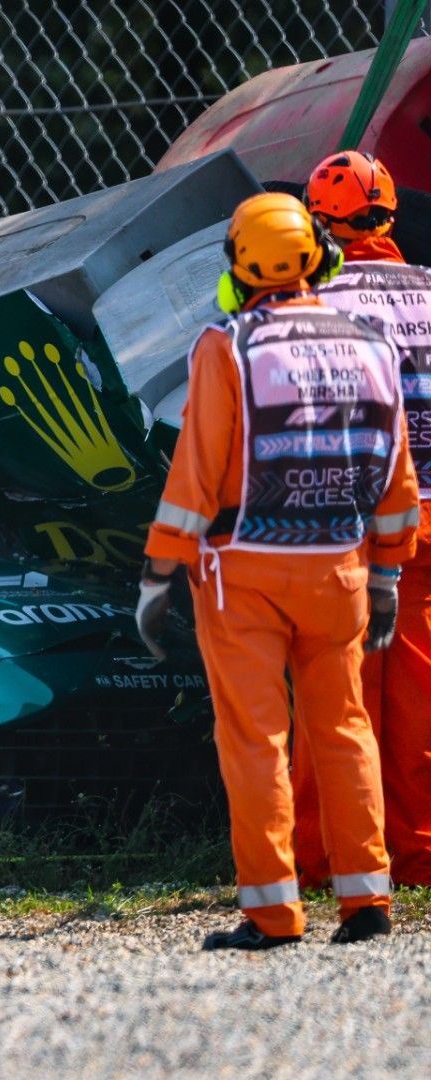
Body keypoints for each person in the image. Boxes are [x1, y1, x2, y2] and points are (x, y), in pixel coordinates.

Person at [136, 192, 415, 950]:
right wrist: (388, 573)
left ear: (237, 267)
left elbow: (195, 478)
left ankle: (272, 913)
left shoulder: (226, 346)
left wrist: (160, 572)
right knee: (346, 728)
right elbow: (397, 479)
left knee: (256, 741)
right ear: (318, 260)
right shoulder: (371, 342)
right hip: (342, 570)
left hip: (244, 576)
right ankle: (368, 901)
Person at [289, 150, 431, 892]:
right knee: (419, 699)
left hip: (340, 528)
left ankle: (331, 860)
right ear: (390, 216)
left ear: (319, 220)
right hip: (426, 524)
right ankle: (420, 857)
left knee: (334, 700)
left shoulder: (311, 303)